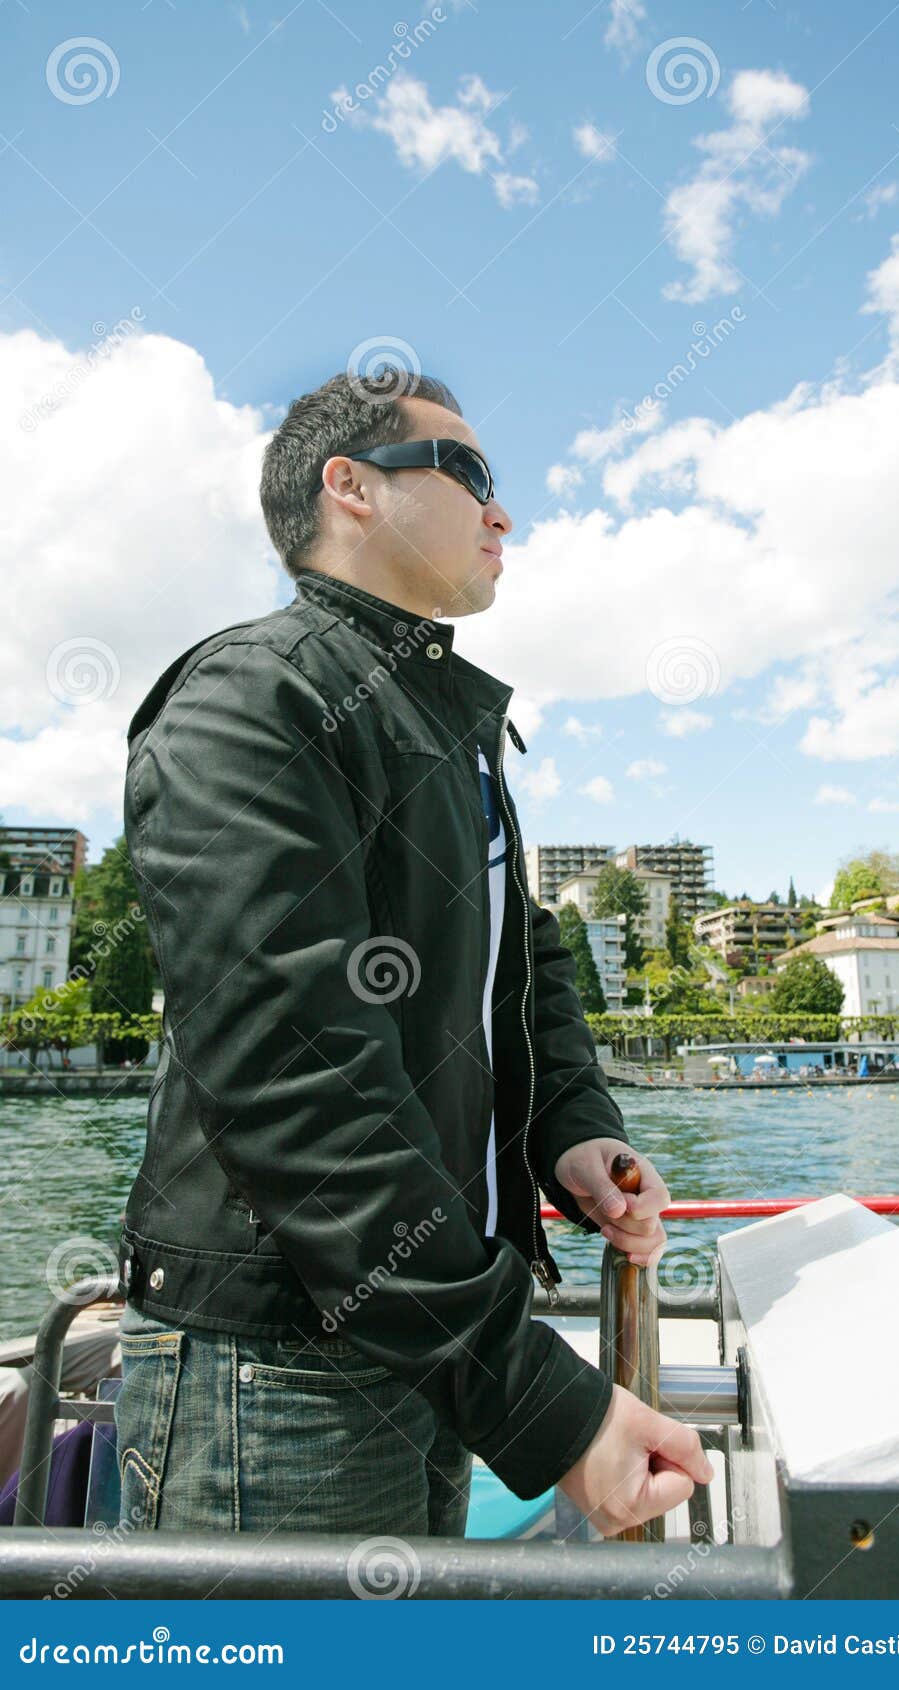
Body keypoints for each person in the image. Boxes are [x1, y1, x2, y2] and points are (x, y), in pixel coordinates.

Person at [114, 365, 710, 1543]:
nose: (503, 512)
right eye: (472, 473)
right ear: (351, 488)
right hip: (278, 1368)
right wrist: (537, 1398)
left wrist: (571, 1132)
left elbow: (521, 965)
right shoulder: (251, 698)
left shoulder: (451, 733)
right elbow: (295, 1081)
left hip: (425, 1350)